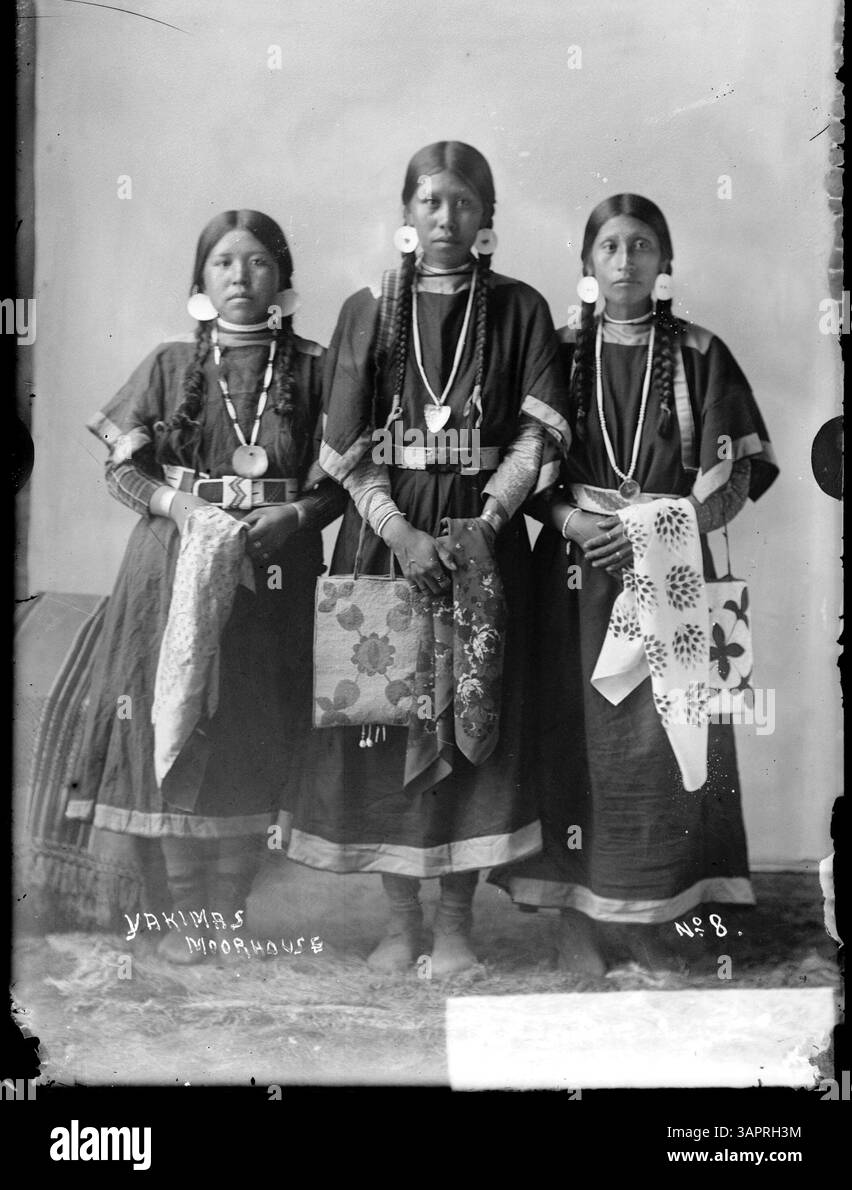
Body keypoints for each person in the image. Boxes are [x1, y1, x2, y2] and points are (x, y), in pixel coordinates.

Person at [286, 142, 571, 976]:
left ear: (488, 218)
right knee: (385, 719)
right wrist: (399, 532)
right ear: (407, 213)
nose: (447, 218)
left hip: (484, 537)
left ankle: (456, 922)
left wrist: (487, 520)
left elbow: (531, 435)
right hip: (388, 537)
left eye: (465, 204)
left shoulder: (519, 307)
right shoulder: (365, 311)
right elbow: (346, 450)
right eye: (431, 201)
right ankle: (399, 920)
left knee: (479, 721)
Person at [490, 193, 779, 976]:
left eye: (642, 245)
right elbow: (525, 468)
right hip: (577, 571)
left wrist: (666, 527)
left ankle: (657, 912)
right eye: (610, 247)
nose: (625, 262)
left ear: (665, 261)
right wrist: (576, 524)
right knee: (573, 731)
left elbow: (739, 472)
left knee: (666, 742)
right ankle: (574, 917)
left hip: (676, 568)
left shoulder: (699, 353)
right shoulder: (557, 351)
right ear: (588, 263)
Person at [66, 210, 346, 962]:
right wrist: (182, 506)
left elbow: (345, 484)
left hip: (275, 574)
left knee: (256, 726)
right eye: (223, 263)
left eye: (257, 263)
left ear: (282, 278)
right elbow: (123, 468)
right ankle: (187, 911)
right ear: (200, 280)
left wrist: (291, 515)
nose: (239, 278)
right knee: (174, 720)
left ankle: (231, 908)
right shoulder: (166, 365)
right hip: (172, 566)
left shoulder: (318, 368)